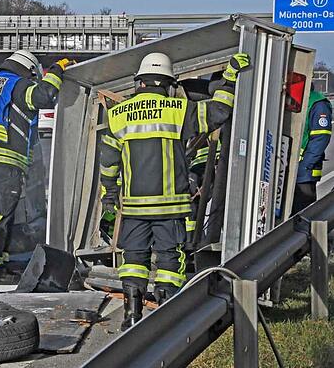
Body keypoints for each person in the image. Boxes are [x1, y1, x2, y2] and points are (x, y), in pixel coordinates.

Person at [99, 51, 249, 330]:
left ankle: (132, 316)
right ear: (168, 84)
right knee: (170, 259)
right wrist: (228, 79)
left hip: (134, 208)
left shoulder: (117, 115)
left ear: (139, 83)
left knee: (133, 259)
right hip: (170, 207)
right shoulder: (178, 110)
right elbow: (219, 113)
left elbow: (108, 161)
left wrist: (109, 192)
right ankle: (166, 319)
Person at [0, 50, 72, 284]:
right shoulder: (17, 85)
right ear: (30, 70)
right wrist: (56, 71)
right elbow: (44, 96)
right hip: (3, 158)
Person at [292, 85, 332, 214]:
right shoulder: (293, 99)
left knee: (302, 212)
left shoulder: (318, 103)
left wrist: (304, 166)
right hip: (289, 169)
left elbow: (320, 138)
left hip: (305, 173)